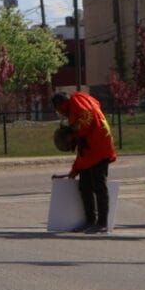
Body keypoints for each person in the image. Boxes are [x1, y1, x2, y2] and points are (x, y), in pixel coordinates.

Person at [52, 90, 117, 234]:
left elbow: (87, 115)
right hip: (94, 149)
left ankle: (102, 223)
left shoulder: (76, 99)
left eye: (58, 110)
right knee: (85, 186)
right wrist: (74, 171)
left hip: (99, 149)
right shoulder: (78, 109)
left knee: (99, 186)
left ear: (60, 104)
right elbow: (83, 155)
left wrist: (73, 132)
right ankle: (90, 221)